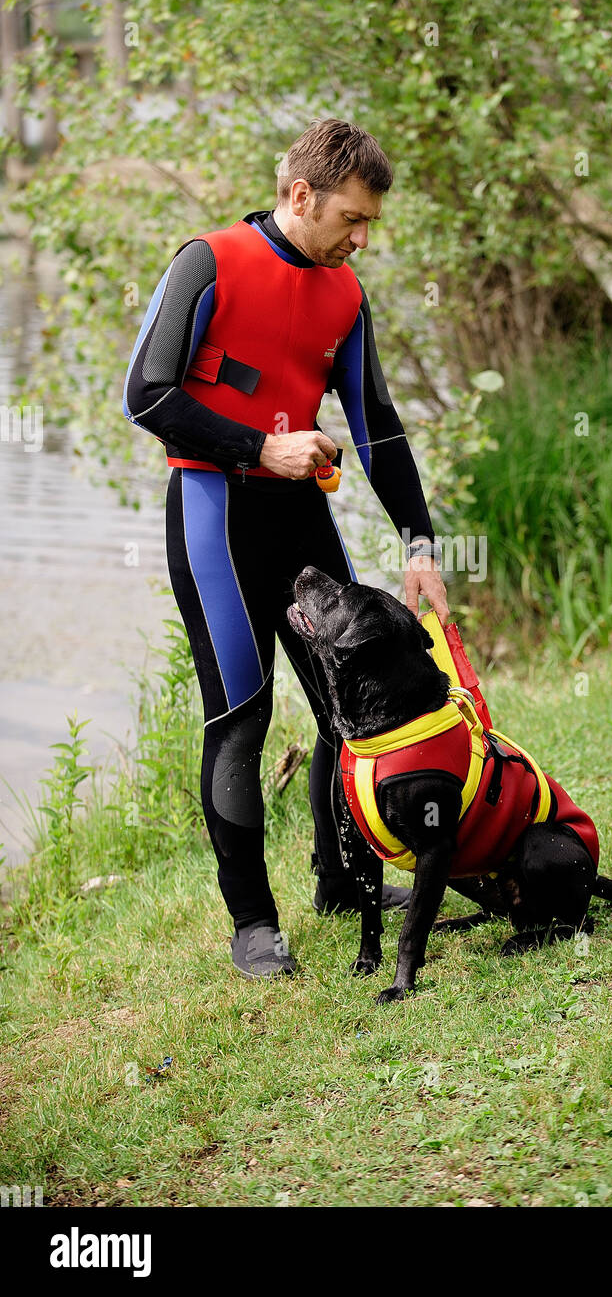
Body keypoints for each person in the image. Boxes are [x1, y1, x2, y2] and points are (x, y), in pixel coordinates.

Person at [122, 119, 449, 979]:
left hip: (302, 519)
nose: (362, 238)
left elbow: (376, 429)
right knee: (243, 719)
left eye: (371, 222)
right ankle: (252, 924)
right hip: (213, 516)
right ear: (300, 195)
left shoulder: (345, 295)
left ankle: (341, 883)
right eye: (352, 218)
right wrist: (258, 446)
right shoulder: (209, 261)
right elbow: (145, 394)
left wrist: (419, 542)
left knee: (349, 706)